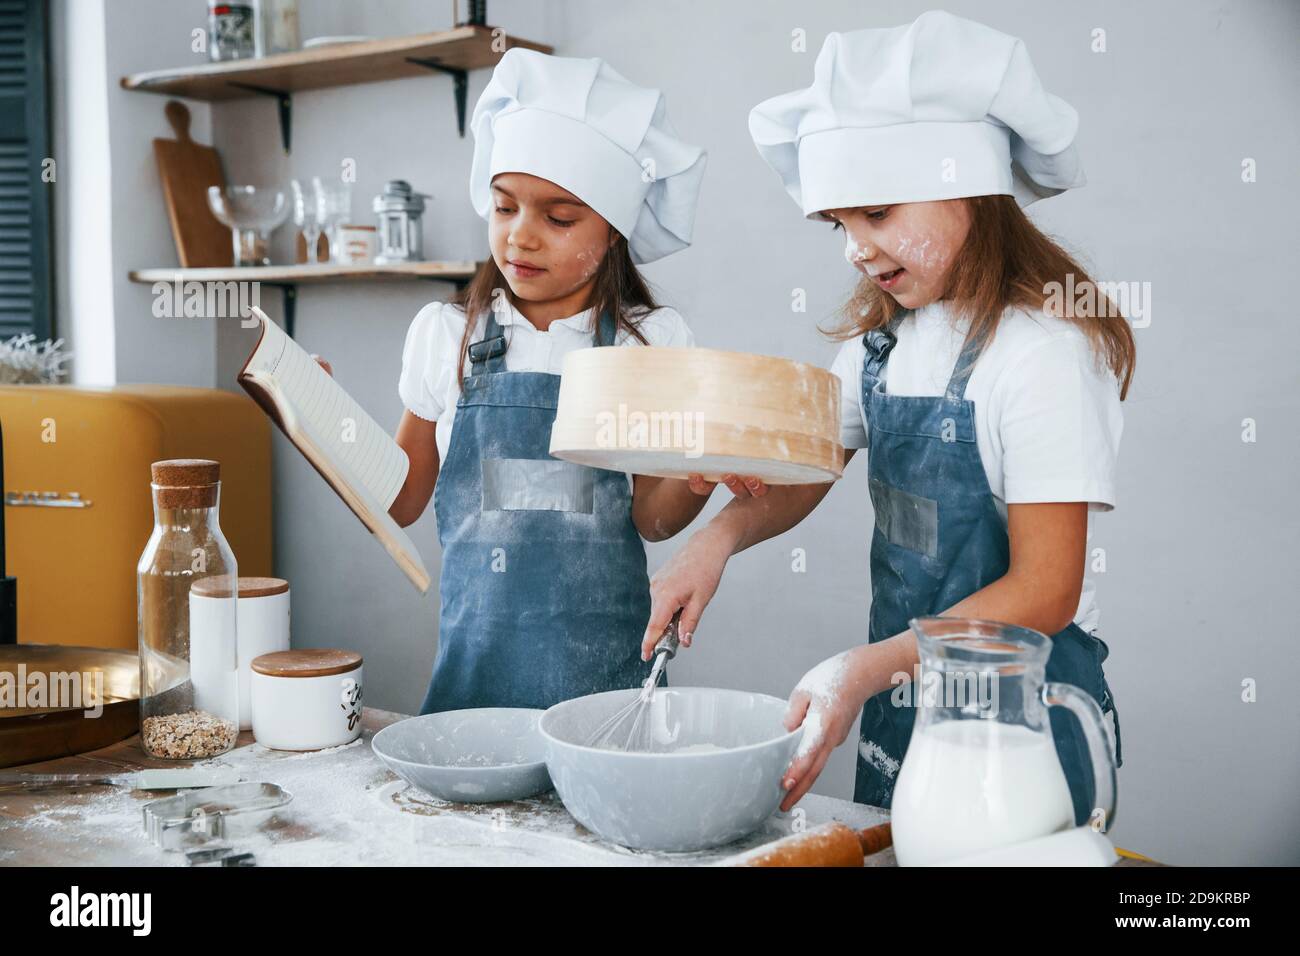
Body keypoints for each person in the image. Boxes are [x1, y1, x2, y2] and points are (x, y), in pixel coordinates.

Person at [642, 10, 1131, 825]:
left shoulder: (1042, 353)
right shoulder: (882, 344)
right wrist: (714, 539)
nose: (855, 249)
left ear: (967, 189)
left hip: (1025, 717)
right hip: (908, 694)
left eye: (876, 213)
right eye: (839, 224)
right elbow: (809, 469)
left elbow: (1046, 589)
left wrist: (866, 669)